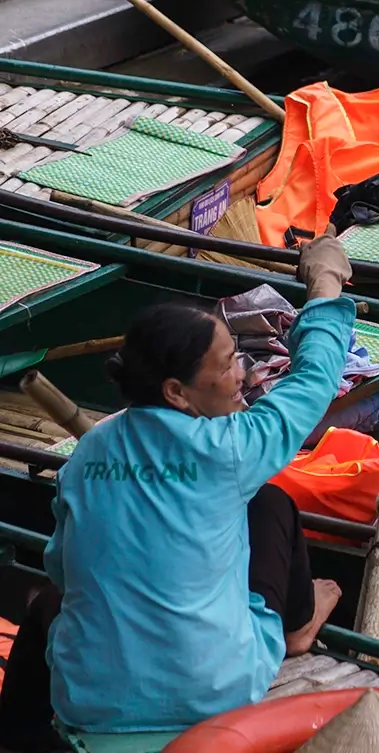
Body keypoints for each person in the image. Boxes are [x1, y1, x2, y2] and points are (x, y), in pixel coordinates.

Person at [0, 235, 355, 744]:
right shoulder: (233, 448)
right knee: (272, 503)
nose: (244, 372)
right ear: (176, 392)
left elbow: (63, 565)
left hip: (91, 698)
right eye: (230, 363)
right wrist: (325, 281)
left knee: (50, 600)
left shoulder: (89, 451)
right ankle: (296, 626)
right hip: (216, 691)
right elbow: (315, 378)